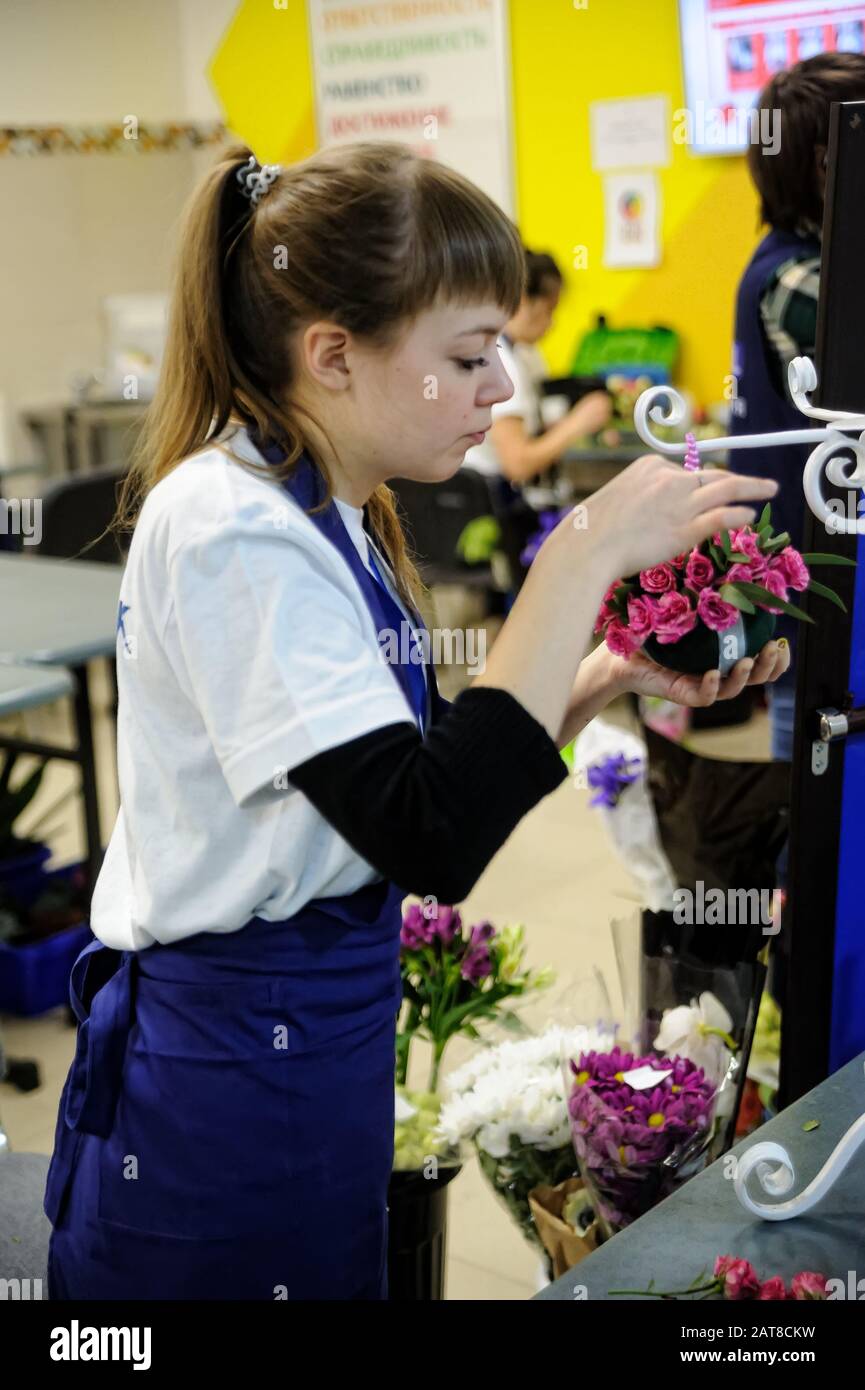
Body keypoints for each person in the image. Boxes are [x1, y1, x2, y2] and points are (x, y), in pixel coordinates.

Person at [43, 141, 788, 1301]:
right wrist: (583, 547)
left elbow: (410, 763)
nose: (502, 383)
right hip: (224, 1077)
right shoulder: (233, 526)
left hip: (313, 1042)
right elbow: (429, 833)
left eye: (501, 346)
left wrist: (599, 673)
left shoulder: (331, 509)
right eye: (467, 352)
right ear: (333, 354)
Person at [729, 51, 865, 763]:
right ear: (824, 164)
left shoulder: (797, 261)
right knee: (816, 763)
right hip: (820, 570)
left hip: (814, 566)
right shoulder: (799, 278)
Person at [464, 249, 611, 488]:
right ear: (522, 301)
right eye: (548, 310)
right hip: (487, 497)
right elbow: (518, 464)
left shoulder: (518, 354)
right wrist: (578, 424)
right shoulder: (500, 361)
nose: (551, 323)